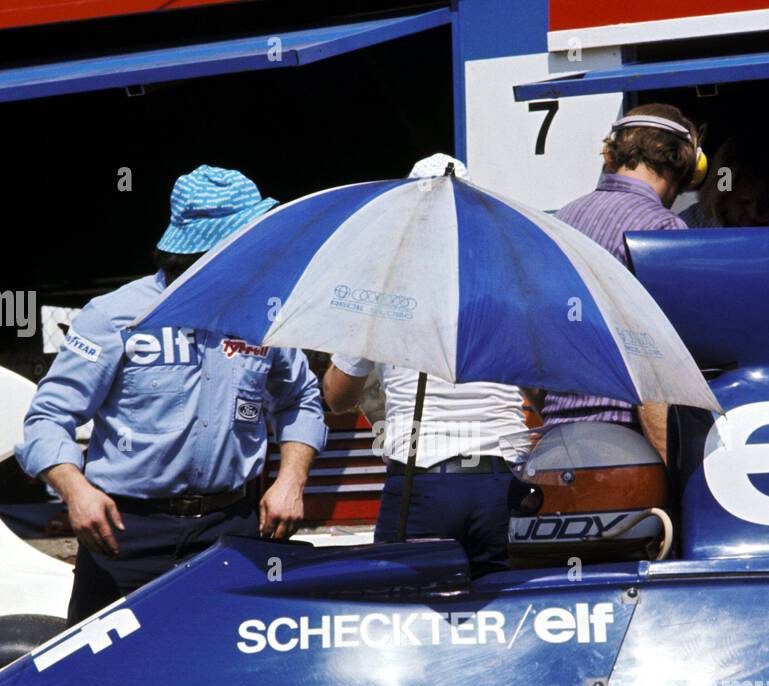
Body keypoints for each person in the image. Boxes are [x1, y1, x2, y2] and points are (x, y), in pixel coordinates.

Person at [17, 165, 327, 625]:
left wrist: (291, 480)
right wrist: (76, 490)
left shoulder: (266, 316)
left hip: (233, 529)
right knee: (105, 682)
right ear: (212, 247)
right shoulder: (116, 316)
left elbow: (301, 399)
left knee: (229, 674)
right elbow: (47, 418)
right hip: (123, 535)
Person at [322, 154, 528, 577]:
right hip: (501, 480)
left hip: (424, 479)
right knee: (505, 617)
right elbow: (536, 389)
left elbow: (338, 397)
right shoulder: (509, 283)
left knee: (405, 616)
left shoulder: (382, 285)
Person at [527, 102, 705, 460]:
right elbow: (658, 366)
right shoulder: (665, 231)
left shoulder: (561, 221)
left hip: (555, 445)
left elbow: (529, 353)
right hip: (625, 447)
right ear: (685, 164)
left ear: (612, 154)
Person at [682, 132, 769, 228]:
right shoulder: (690, 226)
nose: (754, 214)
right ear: (720, 198)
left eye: (765, 202)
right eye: (744, 203)